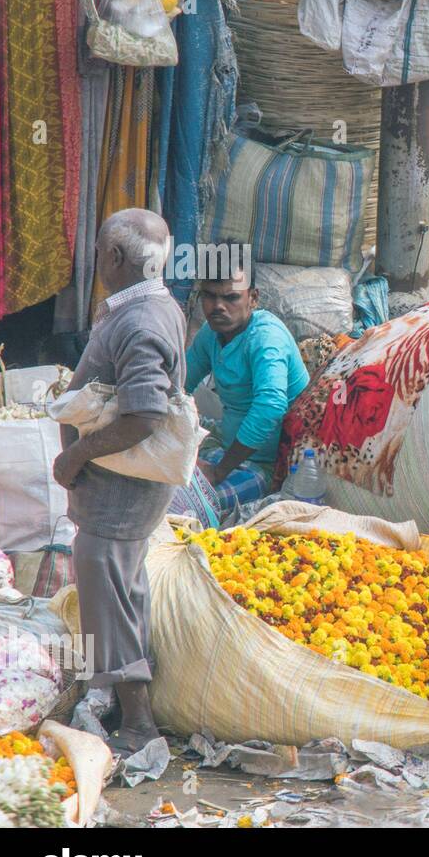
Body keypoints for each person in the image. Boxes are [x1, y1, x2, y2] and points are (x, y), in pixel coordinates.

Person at [52, 209, 185, 756]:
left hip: (118, 492)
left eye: (100, 252)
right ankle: (114, 698)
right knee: (123, 589)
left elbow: (144, 413)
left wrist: (77, 455)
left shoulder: (141, 321)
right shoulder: (151, 306)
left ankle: (138, 723)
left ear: (113, 259)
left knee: (108, 595)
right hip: (121, 492)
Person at [183, 264, 309, 515]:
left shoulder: (266, 338)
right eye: (209, 296)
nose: (218, 306)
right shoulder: (211, 333)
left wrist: (218, 472)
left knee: (186, 505)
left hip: (267, 467)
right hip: (226, 449)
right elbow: (179, 383)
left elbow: (269, 408)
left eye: (231, 297)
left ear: (253, 298)